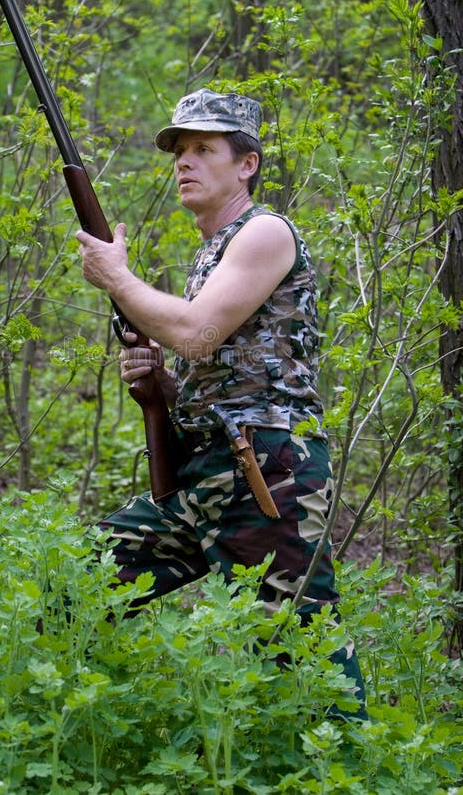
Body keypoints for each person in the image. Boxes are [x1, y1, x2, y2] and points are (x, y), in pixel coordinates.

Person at [76, 88, 367, 718]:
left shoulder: (265, 232)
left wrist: (118, 279)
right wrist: (160, 388)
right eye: (180, 150)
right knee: (77, 584)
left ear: (247, 164)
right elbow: (221, 372)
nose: (185, 161)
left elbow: (195, 332)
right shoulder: (212, 252)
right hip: (210, 474)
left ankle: (365, 772)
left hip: (269, 476)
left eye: (204, 148)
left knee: (305, 658)